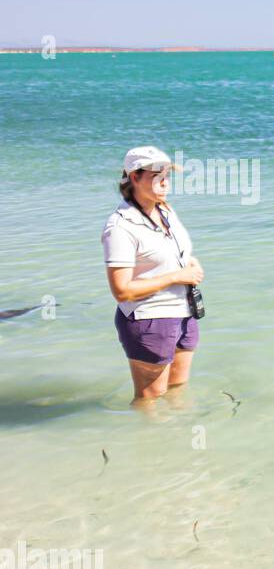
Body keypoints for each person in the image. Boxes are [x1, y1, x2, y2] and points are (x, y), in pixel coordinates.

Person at [102, 146, 204, 402]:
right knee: (150, 399)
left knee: (178, 389)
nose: (165, 182)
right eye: (156, 175)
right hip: (149, 320)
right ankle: (145, 440)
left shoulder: (165, 210)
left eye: (167, 175)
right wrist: (176, 276)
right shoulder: (120, 226)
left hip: (184, 312)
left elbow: (172, 252)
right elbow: (122, 291)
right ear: (134, 177)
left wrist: (190, 261)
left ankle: (176, 439)